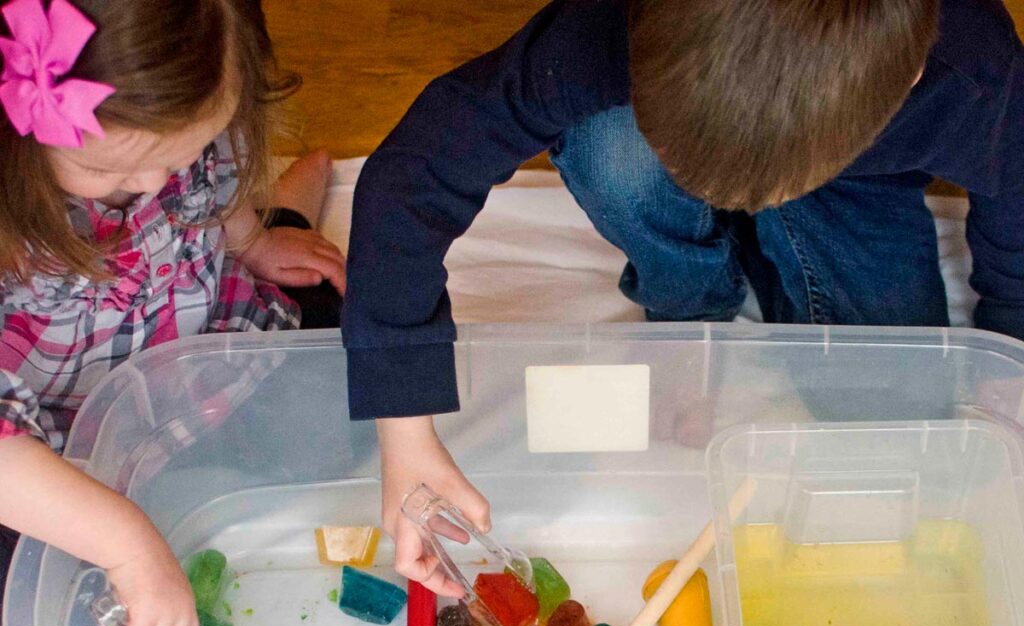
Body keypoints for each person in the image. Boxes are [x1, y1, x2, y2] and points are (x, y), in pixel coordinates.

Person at [342, 0, 1024, 593]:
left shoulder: (976, 71)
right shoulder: (606, 31)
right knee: (610, 148)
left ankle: (771, 232)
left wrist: (1009, 353)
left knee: (886, 407)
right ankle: (688, 305)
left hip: (856, 178)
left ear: (910, 74)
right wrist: (404, 428)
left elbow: (1018, 220)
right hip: (652, 129)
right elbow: (416, 174)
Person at [0, 0, 345, 626]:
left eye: (180, 153)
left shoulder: (187, 112)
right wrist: (128, 546)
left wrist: (254, 241)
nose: (155, 183)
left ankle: (285, 213)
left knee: (343, 383)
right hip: (46, 451)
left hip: (193, 357)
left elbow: (214, 186)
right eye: (112, 172)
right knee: (57, 623)